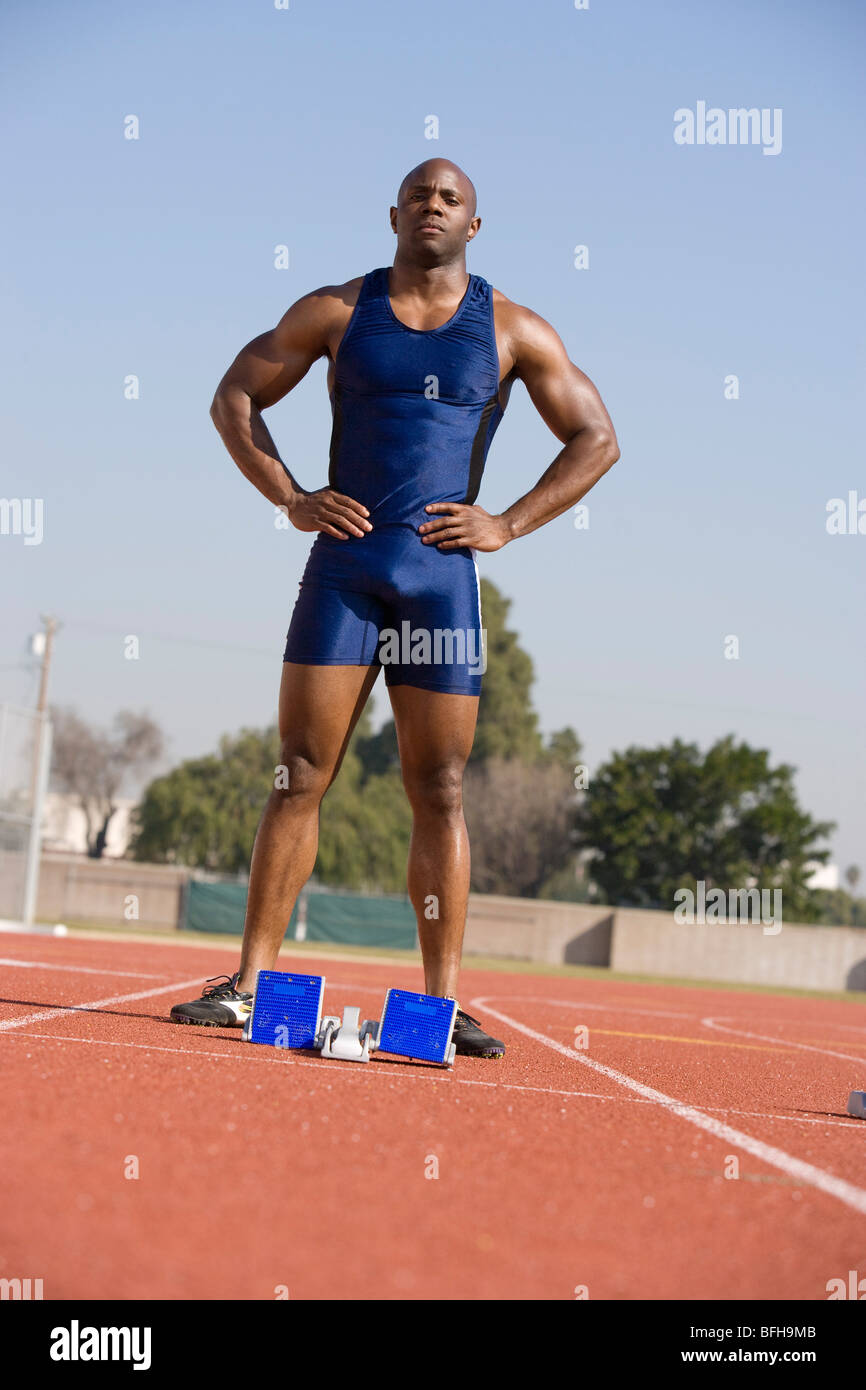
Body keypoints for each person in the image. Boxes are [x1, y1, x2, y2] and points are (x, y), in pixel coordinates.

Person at [171, 158, 619, 1057]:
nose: (434, 207)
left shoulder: (514, 328)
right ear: (393, 212)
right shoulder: (338, 310)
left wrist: (508, 524)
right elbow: (234, 396)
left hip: (439, 582)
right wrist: (291, 497)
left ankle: (440, 1004)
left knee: (441, 791)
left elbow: (597, 438)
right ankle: (251, 984)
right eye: (420, 195)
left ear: (475, 226)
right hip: (344, 572)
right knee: (300, 772)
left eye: (452, 199)